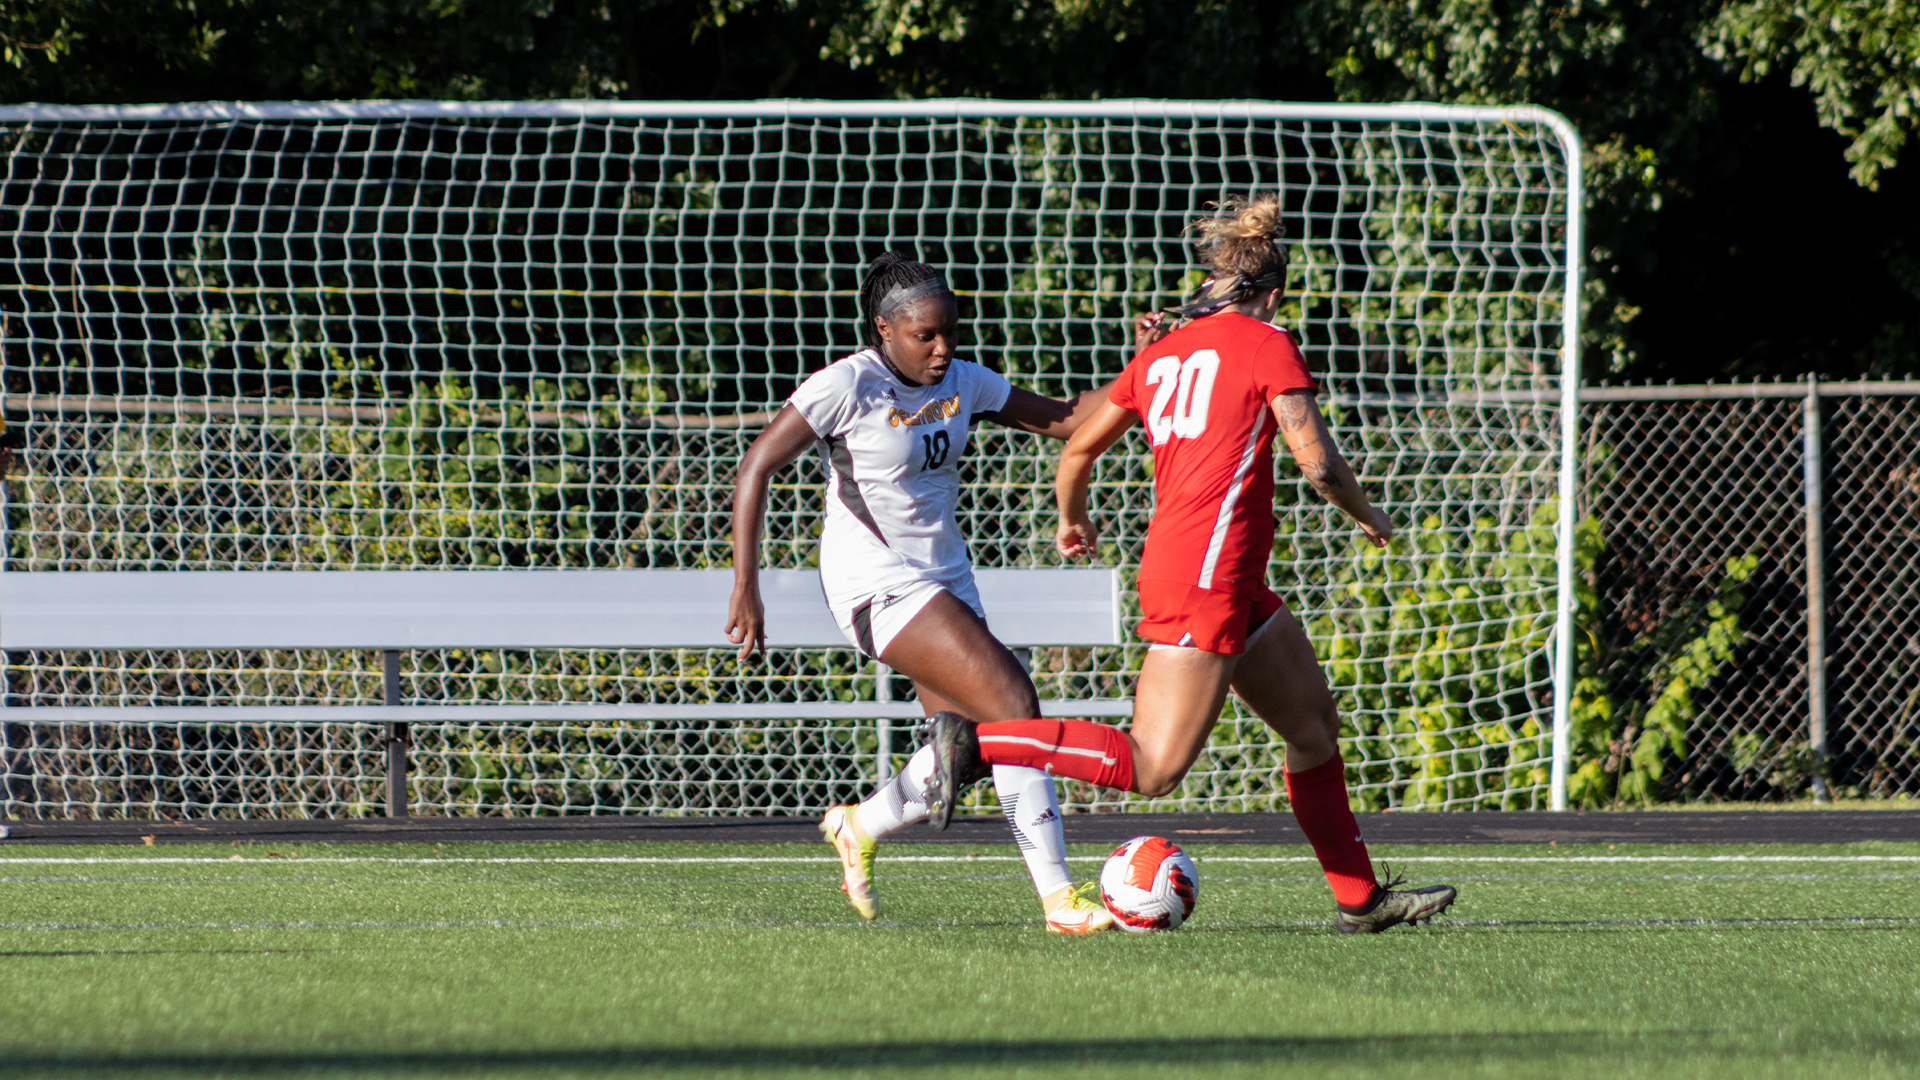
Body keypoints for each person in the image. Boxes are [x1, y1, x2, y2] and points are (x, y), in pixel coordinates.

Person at [922, 196, 1458, 934]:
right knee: (1154, 768)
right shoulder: (1269, 343)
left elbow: (1077, 447)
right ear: (1272, 293)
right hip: (1206, 576)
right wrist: (1369, 515)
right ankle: (975, 744)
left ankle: (1360, 900)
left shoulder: (1162, 352)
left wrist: (1071, 516)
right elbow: (1320, 468)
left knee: (1313, 731)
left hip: (1222, 577)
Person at [726, 252, 1118, 934]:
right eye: (924, 336)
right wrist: (745, 589)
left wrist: (1148, 368)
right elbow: (756, 464)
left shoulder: (963, 381)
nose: (942, 349)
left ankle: (860, 824)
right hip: (873, 585)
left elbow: (1068, 419)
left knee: (969, 751)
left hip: (946, 583)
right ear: (885, 329)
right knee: (1014, 705)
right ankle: (1060, 903)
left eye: (950, 333)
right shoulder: (847, 385)